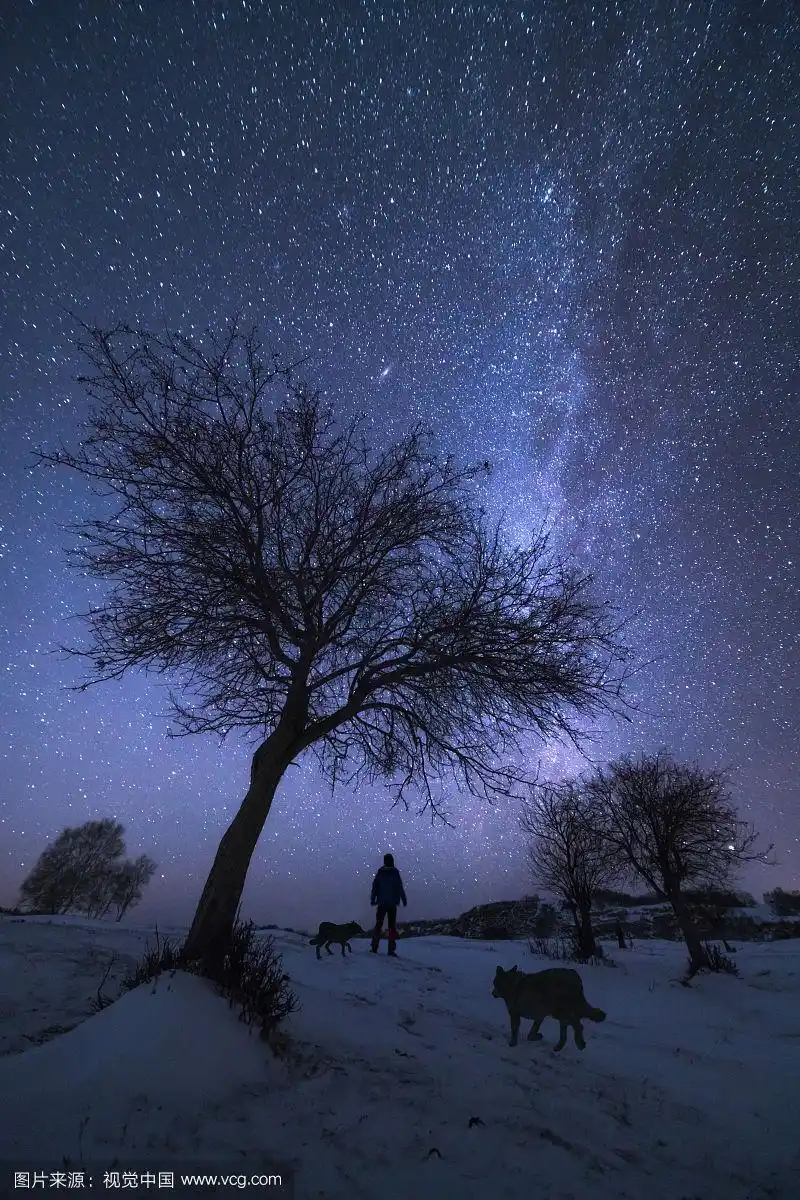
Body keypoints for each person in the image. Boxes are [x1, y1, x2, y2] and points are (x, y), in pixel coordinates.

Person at [369, 853, 407, 956]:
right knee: (391, 926)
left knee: (379, 924)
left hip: (381, 902)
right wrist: (404, 899)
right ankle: (391, 950)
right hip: (392, 903)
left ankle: (374, 947)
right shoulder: (395, 872)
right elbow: (399, 887)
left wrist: (373, 899)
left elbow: (375, 887)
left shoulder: (380, 872)